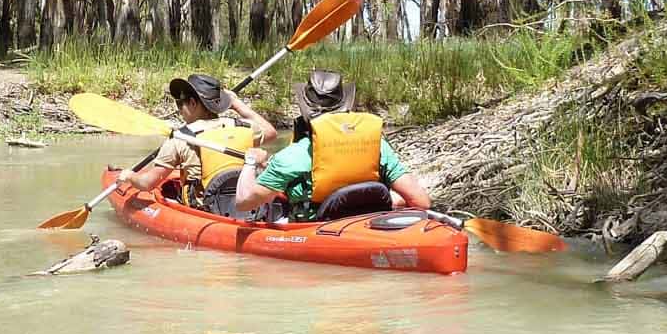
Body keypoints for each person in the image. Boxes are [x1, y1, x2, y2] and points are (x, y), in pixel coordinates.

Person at [233, 70, 432, 222]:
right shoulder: (378, 147)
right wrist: (389, 200)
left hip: (314, 231)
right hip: (368, 225)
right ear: (346, 106)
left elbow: (243, 203)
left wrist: (250, 162)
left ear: (305, 111)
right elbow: (421, 202)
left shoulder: (292, 156)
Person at [114, 72, 275, 210]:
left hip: (206, 210)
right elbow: (271, 132)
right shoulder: (243, 127)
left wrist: (130, 177)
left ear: (192, 103)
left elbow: (147, 184)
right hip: (246, 204)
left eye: (180, 102)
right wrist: (236, 103)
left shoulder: (181, 138)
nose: (178, 108)